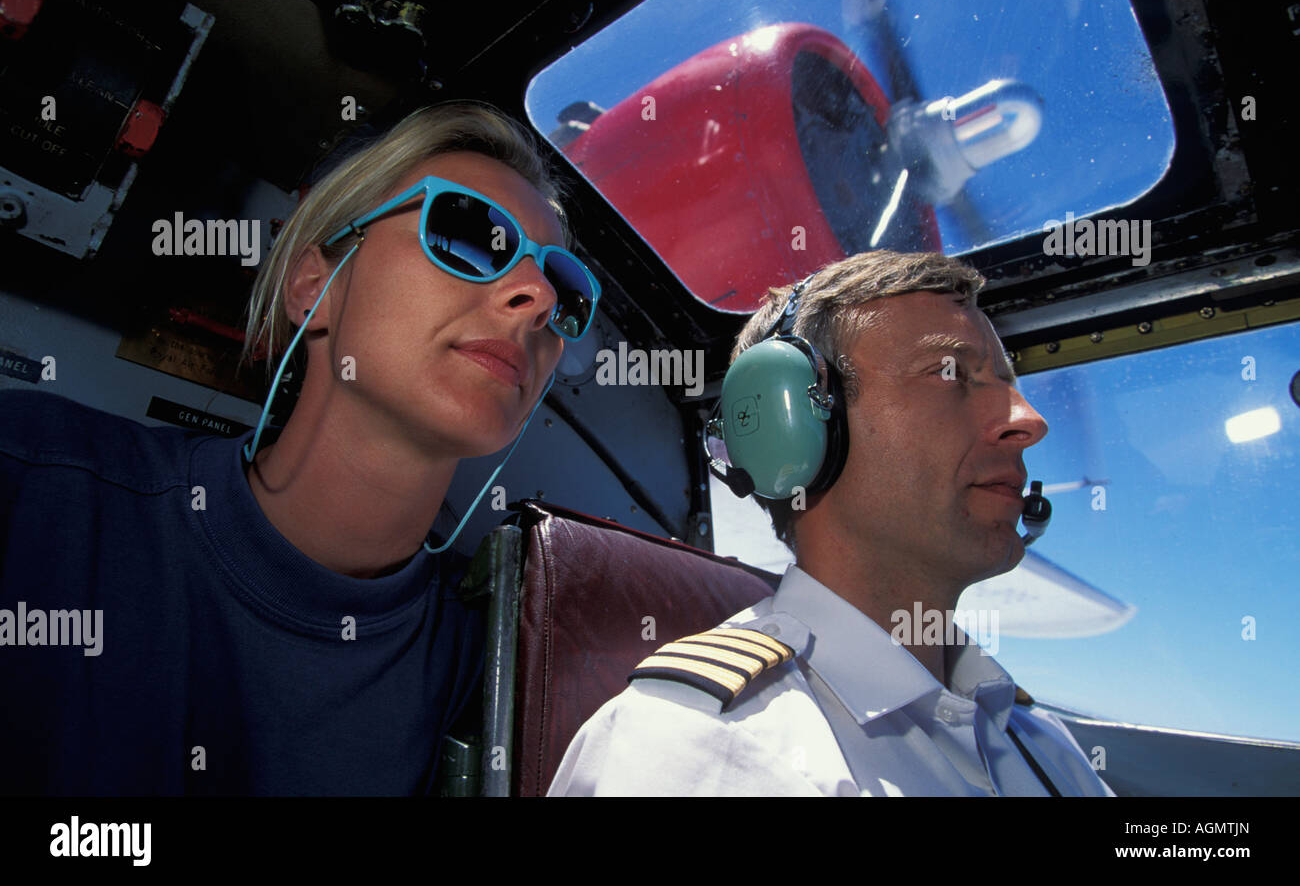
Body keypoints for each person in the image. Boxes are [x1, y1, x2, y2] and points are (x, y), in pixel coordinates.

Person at [0, 101, 600, 795]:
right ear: (315, 284)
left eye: (564, 288)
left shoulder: (507, 660)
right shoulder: (35, 486)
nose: (534, 294)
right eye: (468, 233)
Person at [548, 250, 1112, 796]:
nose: (1029, 421)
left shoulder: (1039, 744)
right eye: (951, 373)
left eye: (1009, 383)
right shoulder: (700, 748)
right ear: (790, 430)